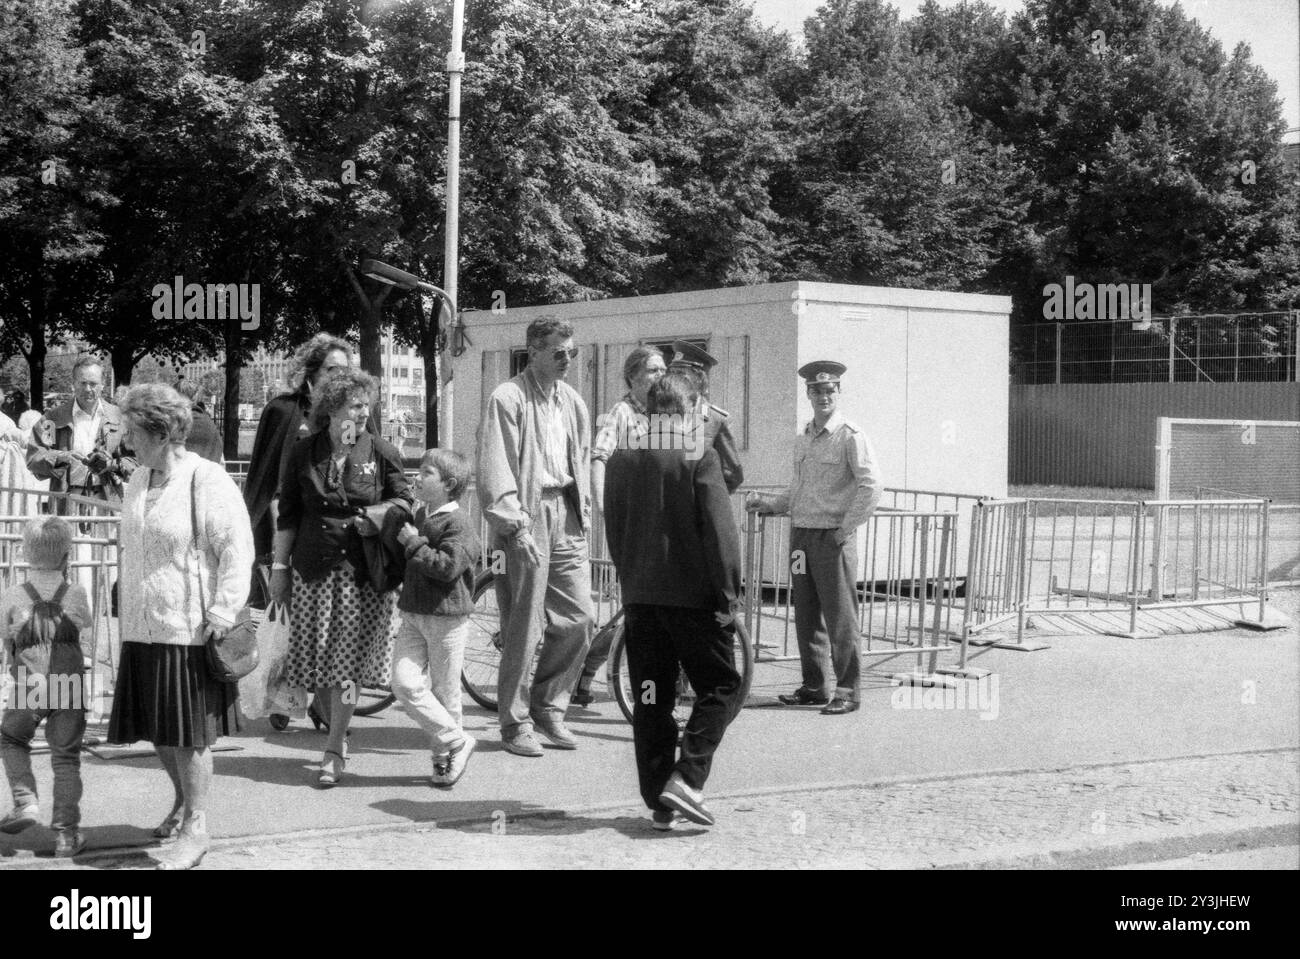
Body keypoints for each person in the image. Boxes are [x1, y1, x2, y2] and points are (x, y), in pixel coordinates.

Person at [108, 384, 255, 869]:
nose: (126, 440)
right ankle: (181, 806)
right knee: (159, 731)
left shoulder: (206, 479)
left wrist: (223, 610)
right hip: (143, 626)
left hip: (189, 629)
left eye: (133, 431)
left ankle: (197, 828)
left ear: (161, 430)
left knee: (189, 737)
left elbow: (237, 548)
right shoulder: (137, 480)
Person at [604, 373, 744, 830]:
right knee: (722, 686)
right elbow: (721, 532)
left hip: (641, 598)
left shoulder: (623, 458)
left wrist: (630, 579)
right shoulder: (698, 455)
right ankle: (688, 777)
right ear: (691, 409)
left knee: (652, 698)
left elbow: (615, 528)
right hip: (693, 598)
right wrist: (729, 593)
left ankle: (660, 799)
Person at [269, 369, 412, 786]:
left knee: (346, 668)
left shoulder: (382, 451)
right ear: (331, 411)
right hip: (313, 571)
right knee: (320, 665)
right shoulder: (303, 452)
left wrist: (377, 515)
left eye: (366, 405)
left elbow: (404, 498)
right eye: (354, 405)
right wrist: (279, 569)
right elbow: (289, 514)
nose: (363, 412)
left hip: (361, 574)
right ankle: (333, 726)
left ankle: (334, 747)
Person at [477, 317, 594, 757]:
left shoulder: (573, 403)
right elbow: (497, 465)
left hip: (564, 510)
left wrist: (583, 515)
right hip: (525, 513)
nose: (568, 360)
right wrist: (514, 524)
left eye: (572, 352)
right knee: (523, 625)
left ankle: (548, 706)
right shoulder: (507, 398)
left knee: (580, 618)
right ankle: (514, 722)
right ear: (535, 352)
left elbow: (579, 461)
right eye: (559, 352)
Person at [746, 361, 882, 715]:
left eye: (829, 390)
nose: (823, 396)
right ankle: (814, 685)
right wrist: (769, 503)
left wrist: (845, 528)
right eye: (816, 391)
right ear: (807, 394)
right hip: (802, 536)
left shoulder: (851, 436)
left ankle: (848, 690)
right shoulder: (804, 436)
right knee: (806, 614)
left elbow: (871, 486)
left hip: (831, 537)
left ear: (839, 393)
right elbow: (799, 490)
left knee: (840, 617)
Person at [243, 334, 356, 729]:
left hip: (335, 538)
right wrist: (276, 550)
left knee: (331, 627)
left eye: (346, 369)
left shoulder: (353, 414)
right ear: (312, 372)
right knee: (291, 618)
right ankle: (286, 693)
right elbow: (266, 477)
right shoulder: (284, 411)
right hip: (287, 527)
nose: (340, 376)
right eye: (332, 369)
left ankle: (315, 702)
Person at [573, 344, 667, 707]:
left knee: (647, 608)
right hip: (631, 525)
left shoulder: (665, 413)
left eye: (663, 370)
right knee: (639, 608)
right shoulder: (621, 412)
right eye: (653, 370)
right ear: (633, 376)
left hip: (659, 525)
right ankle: (590, 666)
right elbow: (599, 458)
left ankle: (588, 668)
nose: (660, 376)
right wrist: (602, 508)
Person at [0, 516, 92, 858]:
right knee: (66, 757)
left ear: (25, 552)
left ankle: (25, 801)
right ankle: (66, 836)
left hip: (30, 682)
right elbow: (86, 626)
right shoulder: (77, 593)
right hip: (69, 682)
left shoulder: (13, 595)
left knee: (12, 738)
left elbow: (4, 633)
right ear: (68, 555)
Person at [392, 449, 480, 787]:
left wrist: (414, 545)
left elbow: (448, 568)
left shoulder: (459, 523)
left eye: (427, 472)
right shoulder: (420, 515)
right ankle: (457, 740)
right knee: (403, 683)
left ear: (449, 484)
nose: (418, 476)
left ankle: (443, 759)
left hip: (447, 618)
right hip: (414, 613)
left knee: (446, 692)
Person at [25, 356, 135, 511]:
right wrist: (60, 457)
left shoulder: (119, 418)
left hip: (108, 502)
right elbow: (34, 457)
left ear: (103, 385)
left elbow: (137, 459)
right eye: (83, 383)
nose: (88, 389)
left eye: (93, 383)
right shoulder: (52, 419)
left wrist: (112, 465)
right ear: (73, 384)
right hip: (66, 501)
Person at [667, 340, 744, 494]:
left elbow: (732, 473)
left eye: (682, 374)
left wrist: (708, 498)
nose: (675, 379)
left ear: (699, 377)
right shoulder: (660, 413)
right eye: (673, 373)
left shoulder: (716, 420)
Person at [176, 380, 224, 464]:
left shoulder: (173, 424)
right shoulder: (209, 424)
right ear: (196, 397)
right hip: (209, 474)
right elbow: (220, 459)